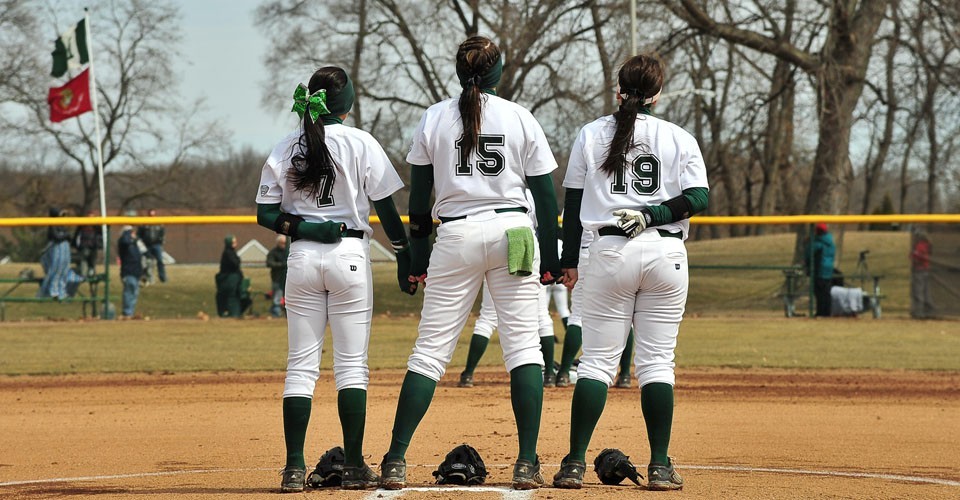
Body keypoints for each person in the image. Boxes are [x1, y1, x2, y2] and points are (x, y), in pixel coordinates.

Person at [380, 35, 560, 491]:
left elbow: (419, 202)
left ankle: (395, 459)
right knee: (523, 349)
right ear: (498, 74)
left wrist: (415, 258)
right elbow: (544, 195)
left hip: (455, 233)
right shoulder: (520, 116)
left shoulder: (435, 117)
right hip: (515, 232)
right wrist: (553, 256)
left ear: (458, 72)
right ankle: (526, 462)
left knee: (429, 351)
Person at [553, 53, 709, 491]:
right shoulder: (678, 136)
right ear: (658, 94)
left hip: (609, 251)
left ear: (618, 90)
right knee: (657, 362)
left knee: (597, 363)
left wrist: (568, 262)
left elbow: (572, 205)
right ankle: (660, 465)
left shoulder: (591, 133)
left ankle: (573, 464)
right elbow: (698, 198)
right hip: (665, 253)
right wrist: (656, 213)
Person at [255, 66, 409, 493]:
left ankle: (291, 468)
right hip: (350, 256)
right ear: (348, 104)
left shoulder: (287, 145)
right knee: (351, 368)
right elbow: (388, 210)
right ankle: (356, 464)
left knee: (300, 368)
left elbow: (265, 215)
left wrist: (305, 229)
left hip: (303, 258)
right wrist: (403, 253)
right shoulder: (360, 142)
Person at [457, 278, 557, 388]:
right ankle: (549, 375)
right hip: (529, 268)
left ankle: (468, 374)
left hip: (496, 266)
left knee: (488, 318)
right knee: (542, 317)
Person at [37, 207, 83, 300]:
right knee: (55, 271)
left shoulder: (62, 225)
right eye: (61, 215)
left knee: (64, 271)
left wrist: (69, 235)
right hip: (55, 252)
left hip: (64, 253)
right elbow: (56, 237)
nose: (63, 217)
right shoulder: (52, 224)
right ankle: (52, 291)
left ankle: (61, 291)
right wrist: (66, 236)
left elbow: (69, 239)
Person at [214, 235, 244, 318]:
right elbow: (235, 264)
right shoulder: (228, 253)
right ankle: (232, 313)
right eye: (233, 242)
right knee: (231, 296)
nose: (236, 244)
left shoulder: (231, 252)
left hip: (232, 279)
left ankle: (234, 313)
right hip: (229, 280)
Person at [809, 223, 836, 317]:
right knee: (826, 293)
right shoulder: (831, 242)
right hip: (829, 270)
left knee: (819, 292)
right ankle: (827, 312)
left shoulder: (818, 243)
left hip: (820, 270)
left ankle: (820, 312)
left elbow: (809, 253)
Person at [117, 225, 143, 319]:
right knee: (129, 291)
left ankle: (130, 312)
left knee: (135, 292)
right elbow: (124, 240)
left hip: (136, 272)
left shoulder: (135, 244)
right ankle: (127, 312)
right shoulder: (124, 242)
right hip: (128, 272)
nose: (134, 234)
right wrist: (127, 232)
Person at [137, 208, 167, 283]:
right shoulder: (144, 223)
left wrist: (161, 241)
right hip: (147, 245)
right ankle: (146, 276)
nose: (152, 216)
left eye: (153, 215)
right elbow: (139, 234)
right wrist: (141, 244)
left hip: (156, 244)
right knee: (146, 261)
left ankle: (162, 276)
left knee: (160, 260)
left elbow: (162, 233)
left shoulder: (159, 223)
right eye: (150, 215)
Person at [910, 231, 934, 319]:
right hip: (926, 270)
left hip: (919, 270)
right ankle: (929, 311)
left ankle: (919, 312)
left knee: (919, 292)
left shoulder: (920, 245)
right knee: (926, 292)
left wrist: (914, 258)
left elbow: (916, 258)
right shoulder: (927, 244)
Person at [73, 210, 103, 278]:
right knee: (84, 259)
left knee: (92, 261)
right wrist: (75, 245)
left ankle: (91, 273)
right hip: (84, 246)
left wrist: (99, 245)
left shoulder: (96, 226)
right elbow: (77, 235)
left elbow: (100, 235)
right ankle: (84, 274)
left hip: (93, 247)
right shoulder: (82, 225)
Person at [266, 234, 289, 318]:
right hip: (277, 278)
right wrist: (281, 265)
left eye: (285, 243)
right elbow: (269, 263)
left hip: (287, 279)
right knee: (277, 297)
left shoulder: (289, 252)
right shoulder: (273, 252)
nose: (284, 245)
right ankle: (276, 314)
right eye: (282, 243)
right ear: (278, 243)